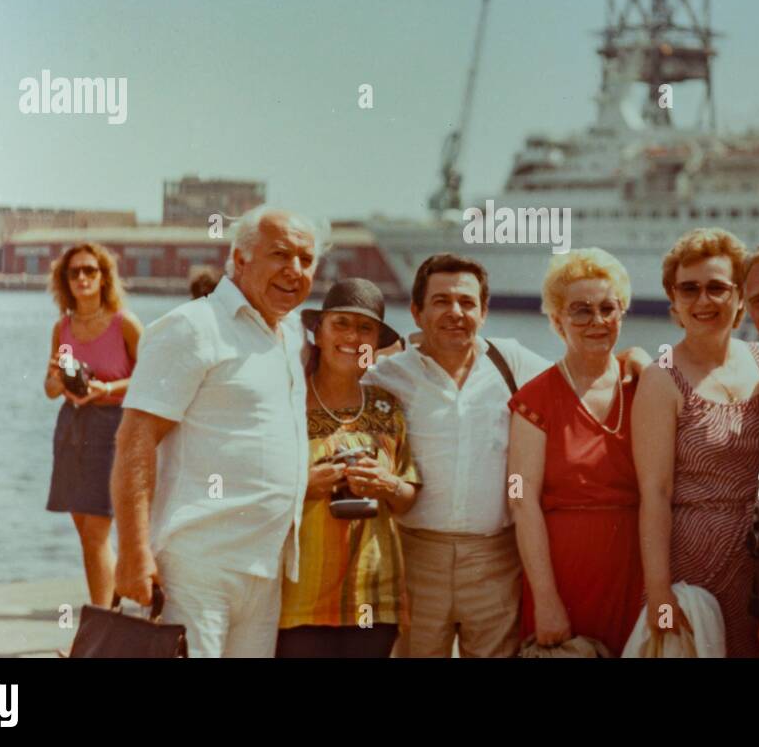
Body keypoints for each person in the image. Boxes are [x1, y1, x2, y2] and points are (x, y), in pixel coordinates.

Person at [361, 252, 649, 658]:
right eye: (441, 301)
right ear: (416, 311)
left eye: (467, 302)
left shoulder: (510, 361)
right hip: (414, 555)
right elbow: (334, 392)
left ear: (484, 311)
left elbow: (578, 369)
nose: (455, 312)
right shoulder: (386, 377)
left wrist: (632, 357)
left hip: (495, 559)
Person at [112, 207, 320, 657]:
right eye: (280, 255)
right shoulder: (192, 327)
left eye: (306, 260)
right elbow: (136, 439)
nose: (295, 271)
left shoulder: (290, 335)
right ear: (239, 259)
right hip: (197, 567)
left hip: (264, 570)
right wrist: (132, 552)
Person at [632, 228, 759, 657]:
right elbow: (654, 494)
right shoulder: (661, 378)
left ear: (738, 297)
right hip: (692, 567)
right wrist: (658, 591)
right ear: (673, 301)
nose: (703, 301)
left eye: (717, 288)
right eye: (689, 289)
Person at [507, 249, 644, 657]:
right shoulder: (535, 399)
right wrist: (546, 600)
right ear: (556, 320)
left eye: (608, 308)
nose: (597, 321)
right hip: (565, 574)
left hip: (635, 568)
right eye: (580, 311)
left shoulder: (644, 387)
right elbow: (521, 501)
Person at [276, 279, 420, 658]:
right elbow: (251, 488)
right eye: (341, 323)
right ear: (318, 333)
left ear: (373, 346)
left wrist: (387, 484)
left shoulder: (387, 407)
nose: (352, 336)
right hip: (297, 596)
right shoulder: (285, 401)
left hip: (373, 596)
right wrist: (303, 486)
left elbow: (407, 497)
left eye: (365, 328)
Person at [43, 242, 142, 607]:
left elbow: (156, 376)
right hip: (72, 427)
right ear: (65, 281)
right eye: (74, 272)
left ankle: (100, 630)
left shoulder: (123, 323)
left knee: (97, 531)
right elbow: (50, 387)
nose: (82, 277)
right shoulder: (62, 327)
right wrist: (59, 381)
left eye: (90, 270)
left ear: (104, 277)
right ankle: (108, 619)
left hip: (113, 427)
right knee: (85, 531)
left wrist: (109, 387)